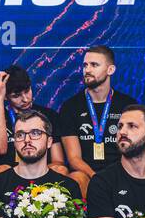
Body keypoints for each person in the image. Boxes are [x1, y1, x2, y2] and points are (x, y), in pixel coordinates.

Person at [57, 45, 138, 195]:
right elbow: (74, 158)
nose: (87, 70)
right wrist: (96, 177)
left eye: (94, 65)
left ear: (110, 70)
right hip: (87, 173)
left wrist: (113, 176)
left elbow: (133, 151)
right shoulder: (70, 107)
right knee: (75, 178)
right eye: (85, 65)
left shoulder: (128, 105)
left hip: (120, 170)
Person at [0, 65, 66, 175]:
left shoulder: (49, 115)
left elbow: (58, 161)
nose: (25, 99)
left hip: (42, 173)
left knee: (60, 169)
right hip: (8, 176)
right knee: (1, 170)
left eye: (27, 90)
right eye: (16, 95)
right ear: (5, 96)